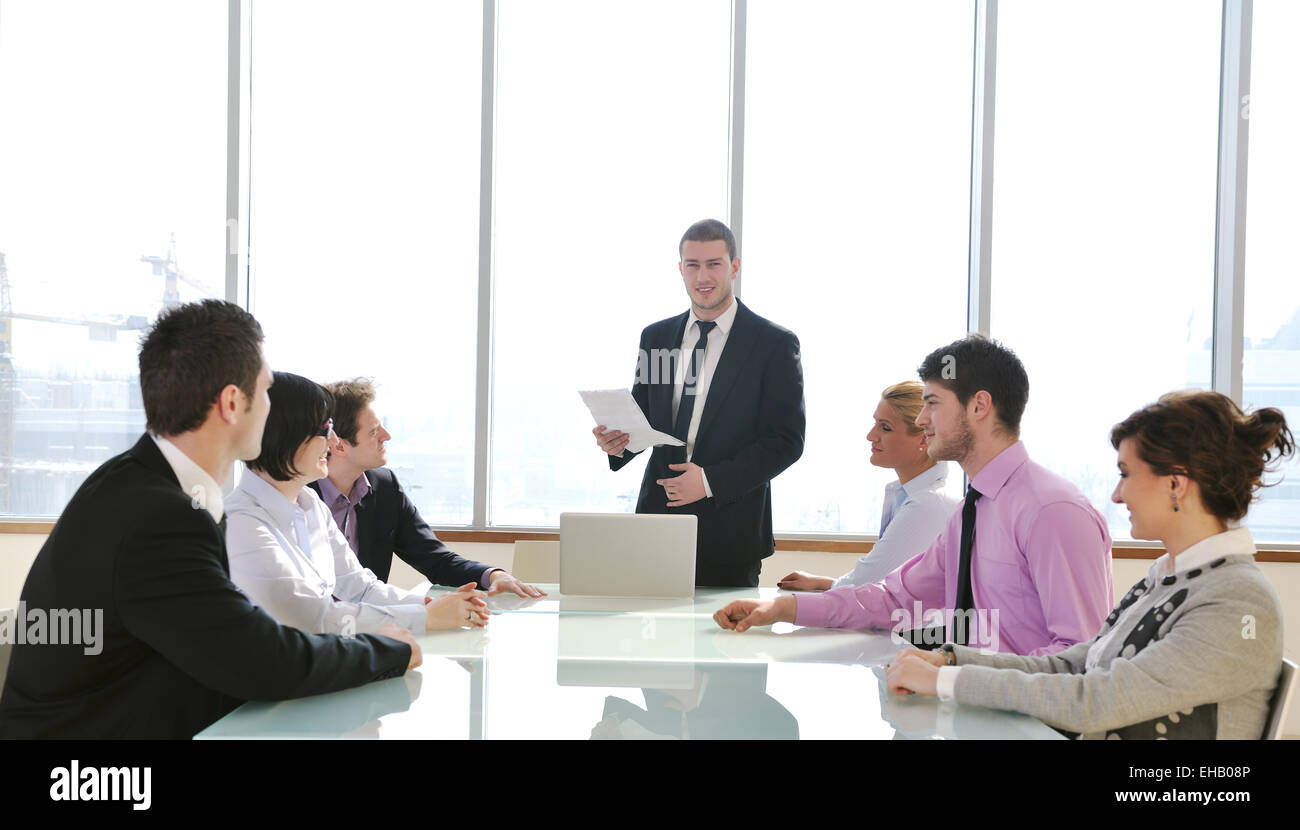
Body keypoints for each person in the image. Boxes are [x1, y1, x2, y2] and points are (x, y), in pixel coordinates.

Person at [0, 301, 419, 739]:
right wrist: (387, 650)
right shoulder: (158, 515)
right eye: (266, 391)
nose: (271, 408)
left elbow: (225, 644)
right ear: (232, 403)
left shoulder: (147, 485)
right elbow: (258, 658)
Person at [886, 390, 1292, 740]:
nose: (1117, 495)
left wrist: (945, 681)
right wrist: (952, 661)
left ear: (1175, 483)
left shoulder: (1238, 601)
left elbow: (1095, 700)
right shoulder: (1169, 577)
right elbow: (1076, 664)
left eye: (1126, 474)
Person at [714, 335, 1113, 656]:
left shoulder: (1053, 511)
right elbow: (892, 599)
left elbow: (1080, 657)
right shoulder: (972, 512)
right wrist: (783, 608)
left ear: (979, 406)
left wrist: (956, 674)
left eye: (932, 404)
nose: (922, 420)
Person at [594, 218, 805, 587]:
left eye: (714, 264)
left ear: (734, 267)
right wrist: (618, 443)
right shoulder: (657, 337)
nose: (702, 276)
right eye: (692, 265)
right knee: (648, 624)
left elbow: (786, 441)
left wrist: (709, 481)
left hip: (732, 531)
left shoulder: (772, 344)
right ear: (681, 269)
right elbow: (645, 416)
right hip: (657, 525)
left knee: (722, 627)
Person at [225, 373, 490, 635]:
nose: (333, 441)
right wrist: (425, 616)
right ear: (287, 435)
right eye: (324, 430)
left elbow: (360, 588)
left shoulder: (310, 503)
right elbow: (314, 619)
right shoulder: (241, 522)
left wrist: (433, 605)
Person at [308, 378, 543, 598]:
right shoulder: (299, 495)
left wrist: (493, 575)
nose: (387, 436)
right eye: (374, 432)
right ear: (338, 445)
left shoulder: (385, 487)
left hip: (369, 621)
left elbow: (435, 559)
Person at [776, 381, 958, 591]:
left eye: (885, 427)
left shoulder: (927, 504)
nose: (871, 436)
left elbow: (866, 586)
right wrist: (824, 583)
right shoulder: (914, 495)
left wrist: (786, 604)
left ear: (924, 438)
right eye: (875, 424)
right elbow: (874, 580)